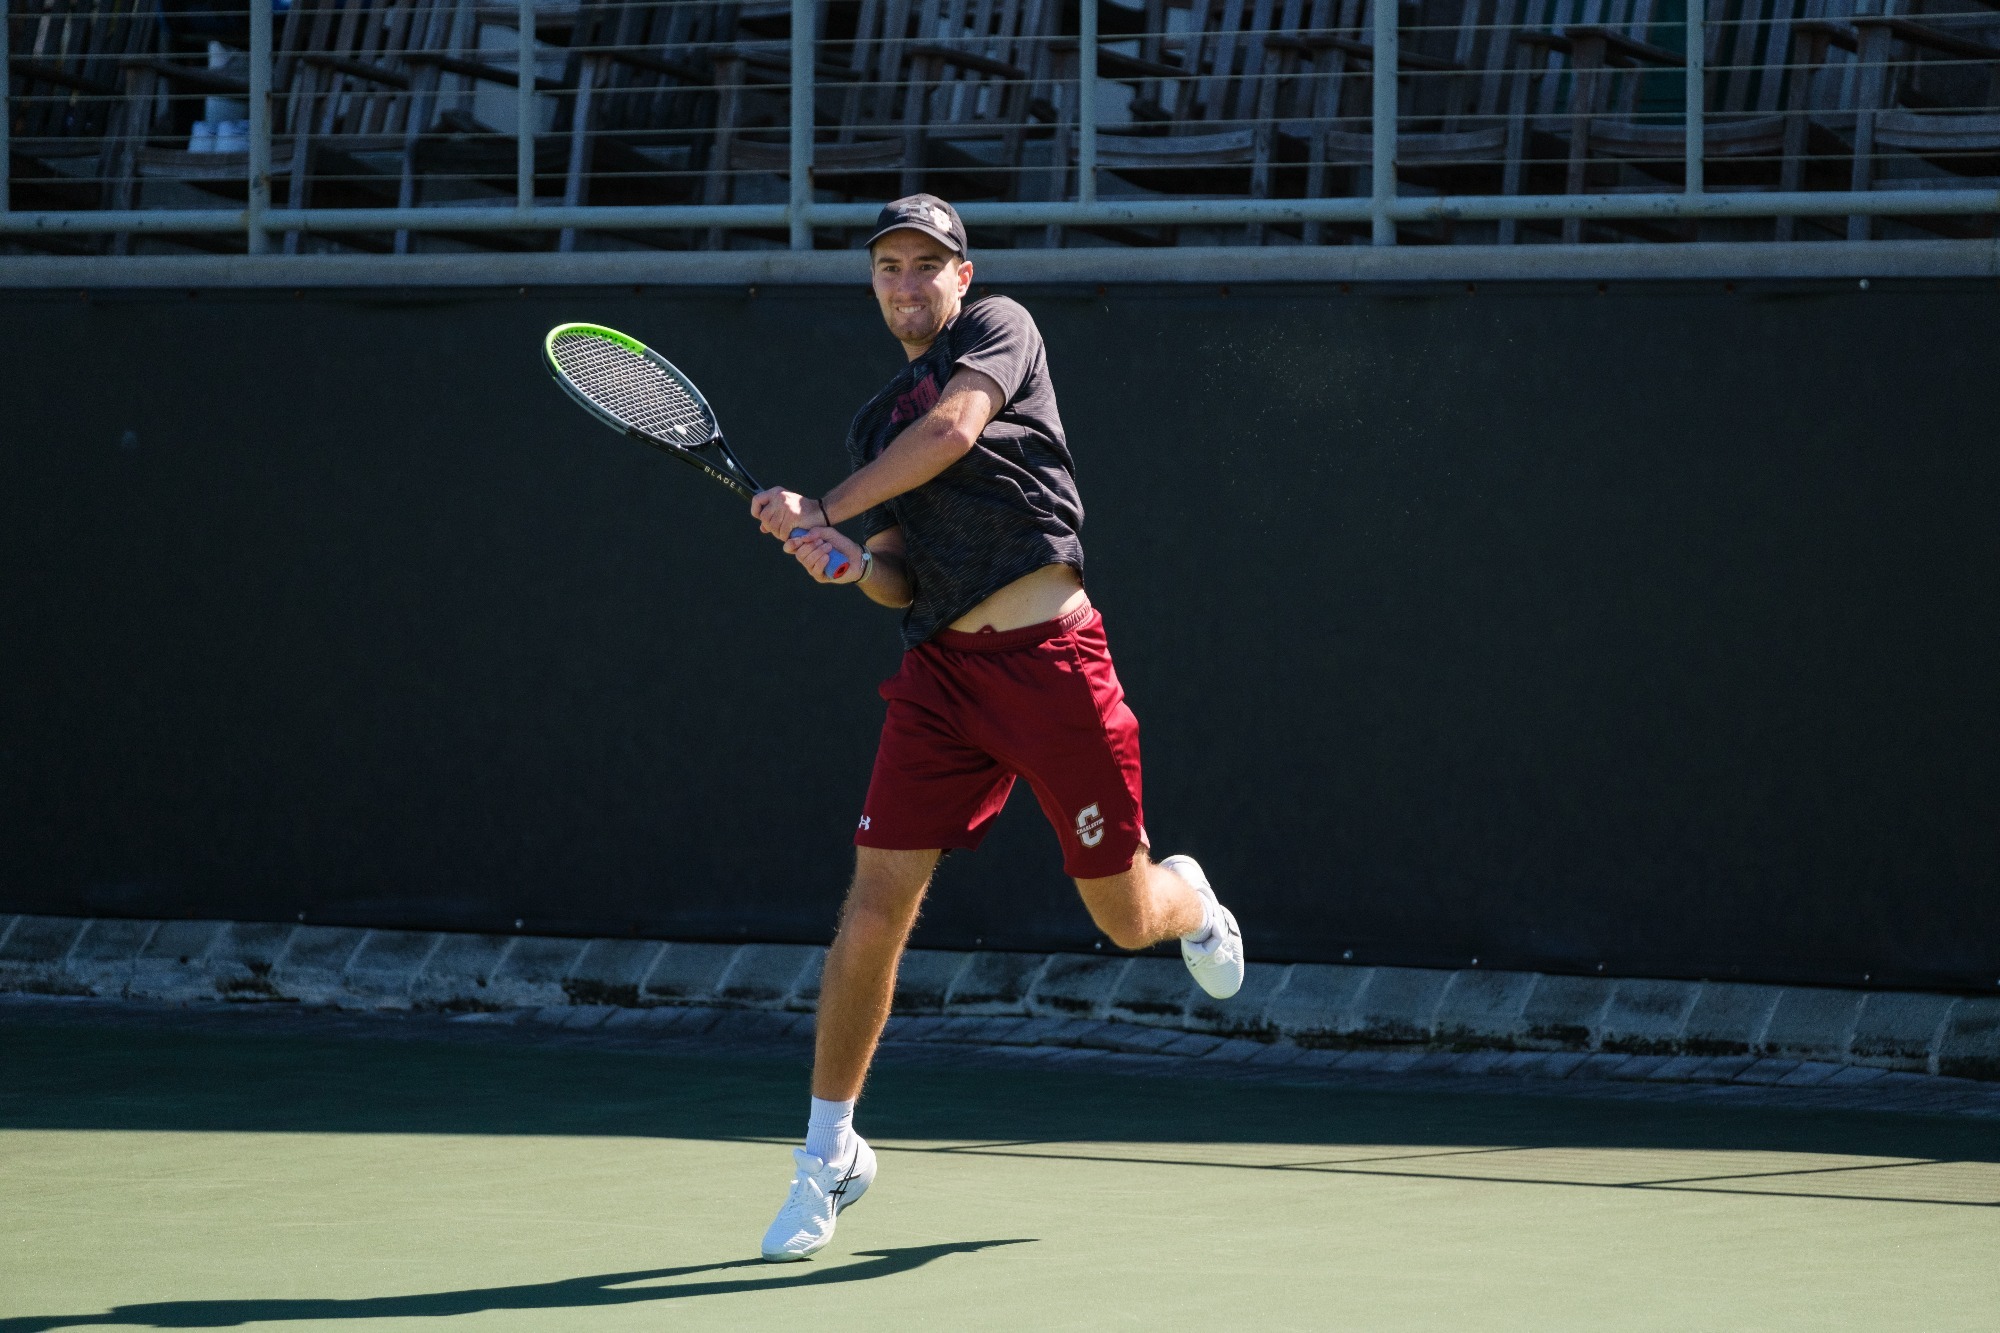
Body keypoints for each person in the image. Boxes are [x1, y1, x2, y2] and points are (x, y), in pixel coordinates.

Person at [746, 194, 1245, 1263]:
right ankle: (826, 1151)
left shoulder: (1000, 328)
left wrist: (822, 507)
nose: (906, 282)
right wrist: (848, 562)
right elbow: (897, 577)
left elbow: (953, 433)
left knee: (1125, 919)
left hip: (1053, 663)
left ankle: (1191, 899)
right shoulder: (871, 426)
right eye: (888, 266)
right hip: (940, 678)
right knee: (872, 905)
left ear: (961, 277)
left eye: (926, 264)